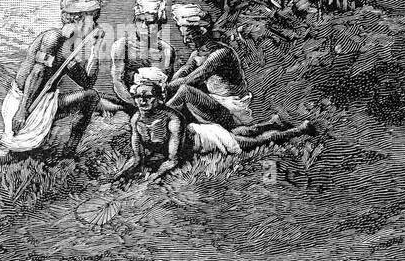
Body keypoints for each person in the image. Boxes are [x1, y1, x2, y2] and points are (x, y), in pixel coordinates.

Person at [0, 0, 107, 166]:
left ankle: (68, 153)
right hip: (26, 100)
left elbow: (87, 83)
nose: (94, 23)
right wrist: (22, 112)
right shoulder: (53, 38)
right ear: (76, 17)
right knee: (13, 157)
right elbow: (37, 73)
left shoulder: (69, 47)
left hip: (45, 101)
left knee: (91, 97)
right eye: (91, 17)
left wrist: (95, 48)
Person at [110, 67, 316, 185]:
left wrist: (152, 179)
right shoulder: (136, 119)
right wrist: (118, 178)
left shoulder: (172, 118)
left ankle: (298, 130)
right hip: (201, 133)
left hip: (205, 140)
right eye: (137, 96)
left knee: (252, 142)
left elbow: (173, 160)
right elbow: (138, 158)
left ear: (160, 97)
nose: (141, 101)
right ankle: (272, 122)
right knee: (240, 132)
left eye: (147, 96)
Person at [164, 4, 254, 129]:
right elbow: (183, 72)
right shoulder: (197, 54)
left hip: (233, 112)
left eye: (189, 36)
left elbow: (189, 80)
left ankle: (161, 120)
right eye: (183, 36)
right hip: (217, 106)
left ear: (202, 31)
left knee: (185, 91)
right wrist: (165, 87)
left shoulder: (221, 53)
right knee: (174, 91)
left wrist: (163, 87)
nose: (185, 41)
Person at [108, 0, 177, 114]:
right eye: (140, 20)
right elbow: (117, 81)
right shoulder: (121, 46)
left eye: (150, 23)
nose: (144, 26)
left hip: (155, 104)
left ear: (160, 24)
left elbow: (164, 85)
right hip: (130, 102)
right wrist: (136, 104)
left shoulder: (166, 50)